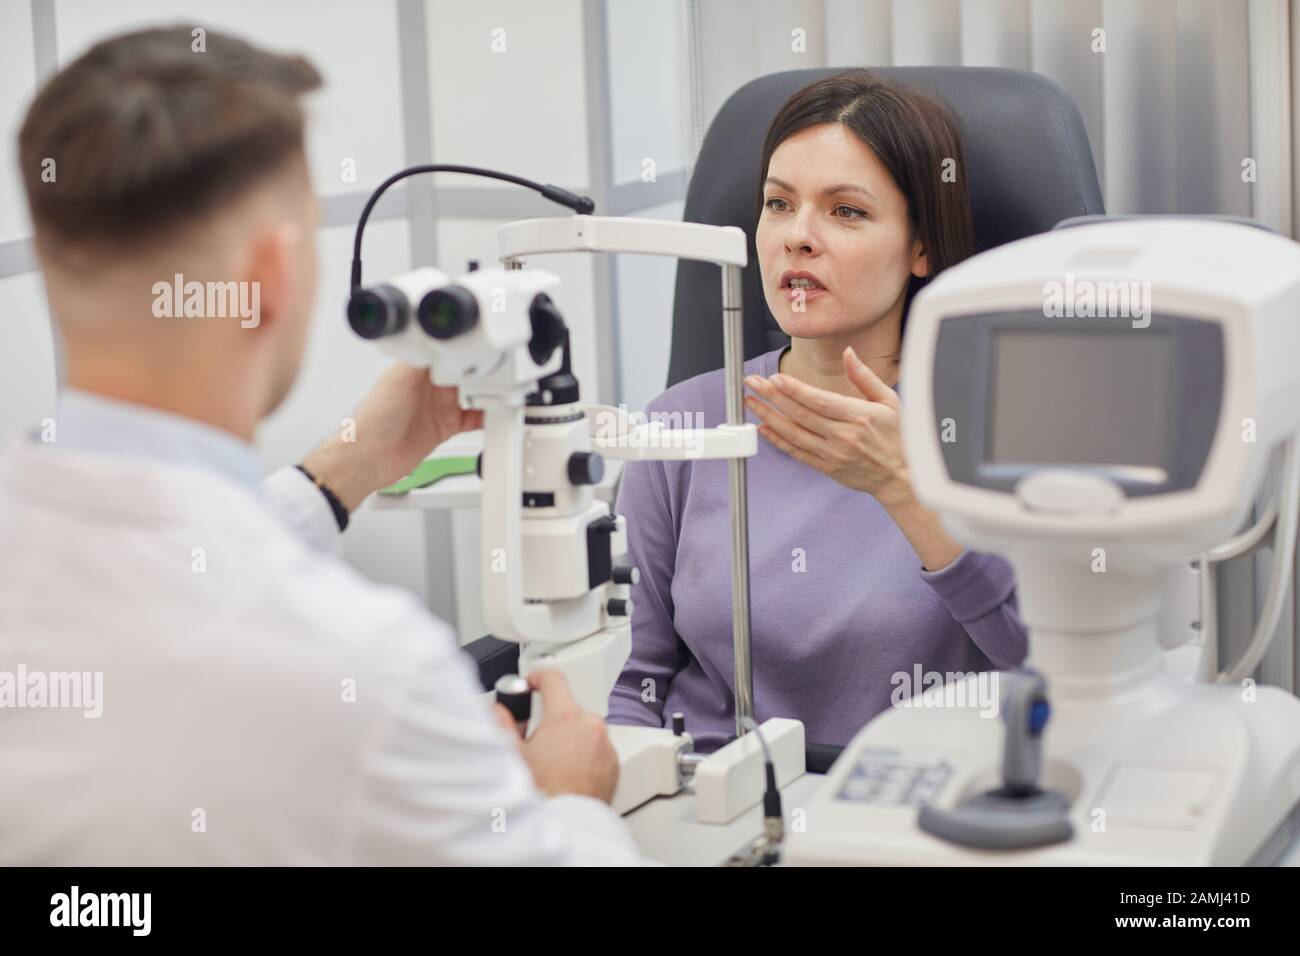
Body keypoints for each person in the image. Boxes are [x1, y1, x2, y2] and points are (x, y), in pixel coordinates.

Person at [0, 26, 640, 865]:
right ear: (270, 276)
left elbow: (159, 556)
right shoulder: (371, 674)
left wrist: (348, 465)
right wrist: (568, 802)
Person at [608, 70, 1028, 752]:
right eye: (778, 204)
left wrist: (903, 487)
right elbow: (637, 681)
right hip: (711, 813)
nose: (796, 237)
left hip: (906, 815)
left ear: (921, 247)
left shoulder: (998, 431)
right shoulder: (679, 426)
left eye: (846, 211)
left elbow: (1047, 676)